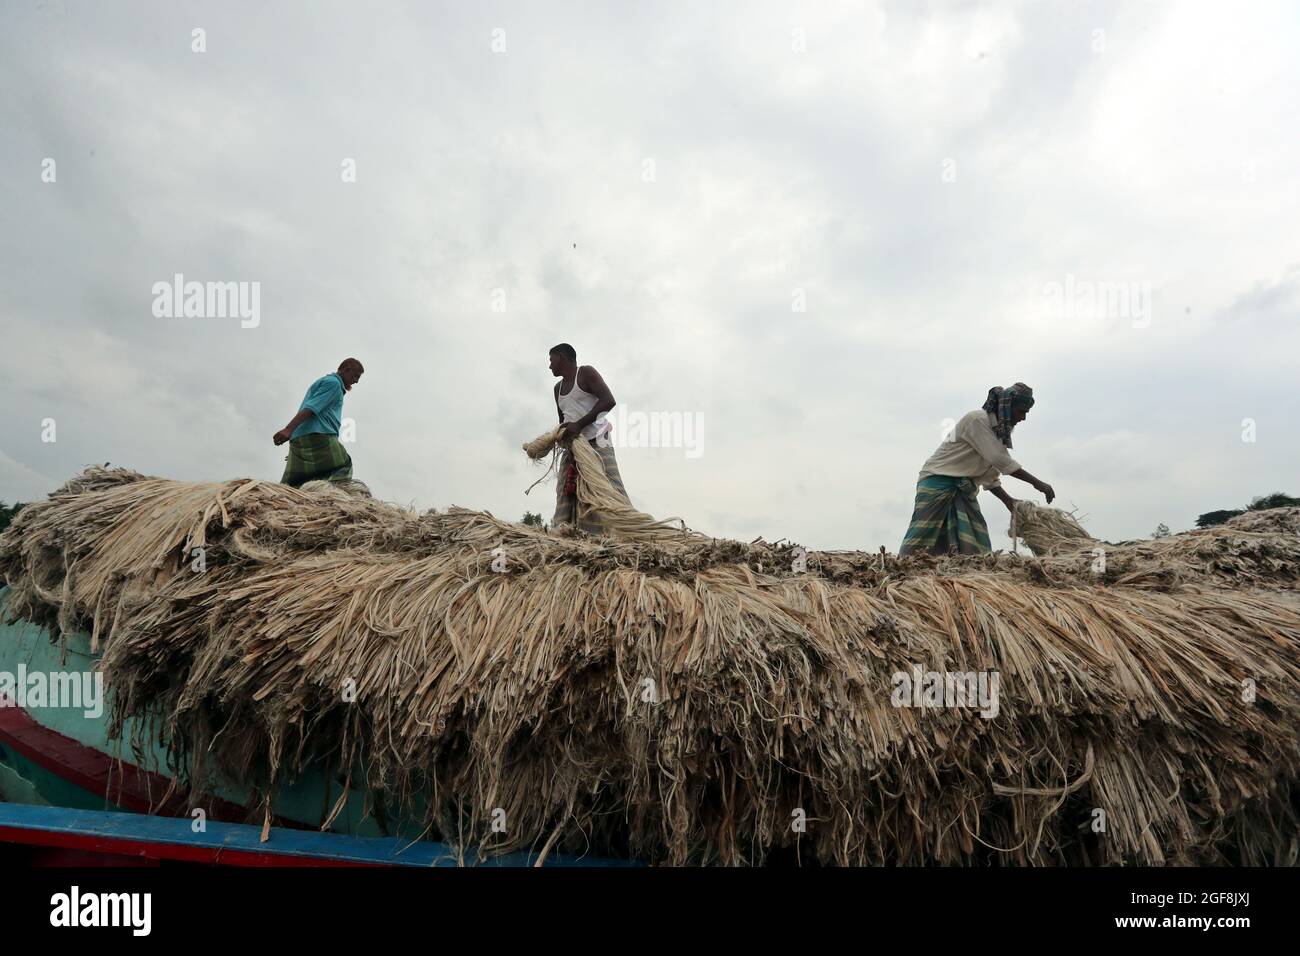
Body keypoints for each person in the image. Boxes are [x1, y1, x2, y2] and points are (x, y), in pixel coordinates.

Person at [899, 383, 1055, 556]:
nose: (1023, 418)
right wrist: (1038, 484)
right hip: (937, 482)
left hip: (964, 487)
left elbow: (989, 472)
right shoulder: (978, 420)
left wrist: (1008, 501)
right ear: (1007, 407)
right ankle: (902, 571)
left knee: (974, 540)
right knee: (923, 536)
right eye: (1021, 411)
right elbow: (999, 459)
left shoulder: (999, 430)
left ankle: (959, 577)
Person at [548, 343, 629, 532]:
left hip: (598, 441)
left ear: (562, 357)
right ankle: (566, 532)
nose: (550, 366)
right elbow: (563, 419)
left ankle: (624, 529)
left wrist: (579, 425)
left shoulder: (585, 373)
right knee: (566, 491)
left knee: (609, 485)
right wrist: (562, 434)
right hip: (574, 446)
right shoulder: (557, 389)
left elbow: (608, 400)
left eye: (551, 360)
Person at [274, 358, 364, 487]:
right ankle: (328, 499)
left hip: (300, 438)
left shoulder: (326, 382)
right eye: (355, 376)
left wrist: (292, 432)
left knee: (294, 482)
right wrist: (288, 429)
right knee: (343, 465)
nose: (356, 381)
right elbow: (312, 407)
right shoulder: (333, 384)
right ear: (346, 370)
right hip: (319, 434)